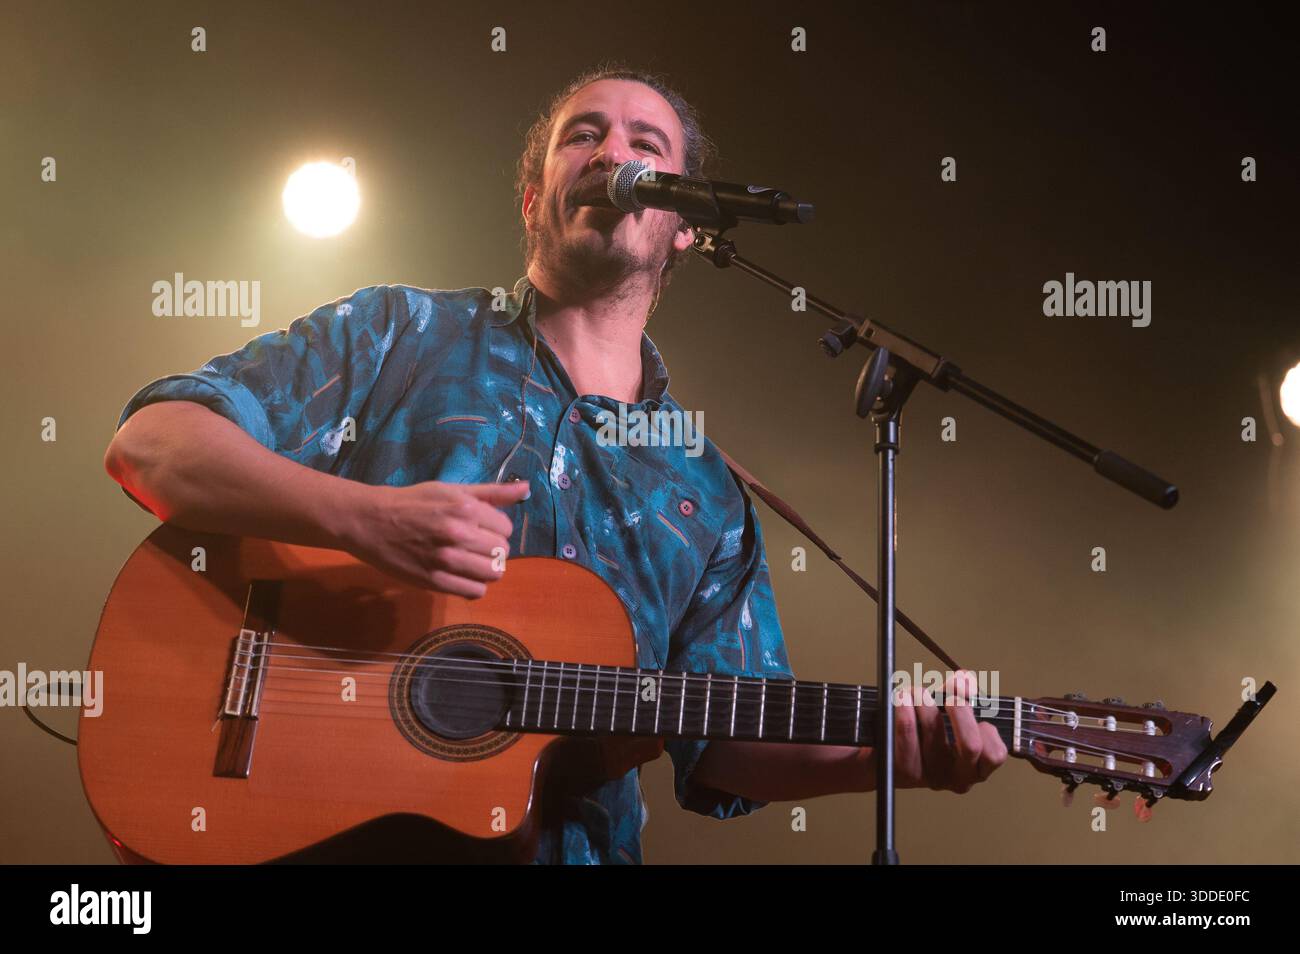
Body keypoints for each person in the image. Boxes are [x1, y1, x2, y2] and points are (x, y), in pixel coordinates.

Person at [104, 65, 1007, 864]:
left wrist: (892, 755)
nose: (614, 150)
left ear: (686, 223)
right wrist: (361, 518)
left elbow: (725, 738)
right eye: (586, 133)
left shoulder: (708, 492)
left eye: (645, 144)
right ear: (533, 199)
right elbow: (154, 444)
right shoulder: (399, 333)